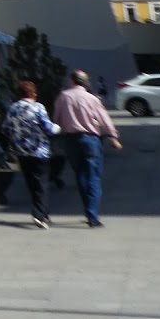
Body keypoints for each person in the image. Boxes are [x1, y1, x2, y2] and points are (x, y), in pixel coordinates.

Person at [51, 70, 122, 227]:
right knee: (94, 178)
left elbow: (56, 119)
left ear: (72, 81)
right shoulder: (92, 99)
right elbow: (104, 119)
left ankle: (88, 210)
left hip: (70, 141)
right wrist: (113, 138)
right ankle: (93, 215)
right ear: (86, 82)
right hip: (90, 139)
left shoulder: (63, 97)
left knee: (80, 175)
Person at [3, 80, 61, 227]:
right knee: (41, 184)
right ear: (32, 93)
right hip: (39, 151)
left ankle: (43, 213)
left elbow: (5, 129)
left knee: (31, 184)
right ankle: (39, 215)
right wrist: (58, 128)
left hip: (22, 152)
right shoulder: (38, 108)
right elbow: (49, 129)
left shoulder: (13, 109)